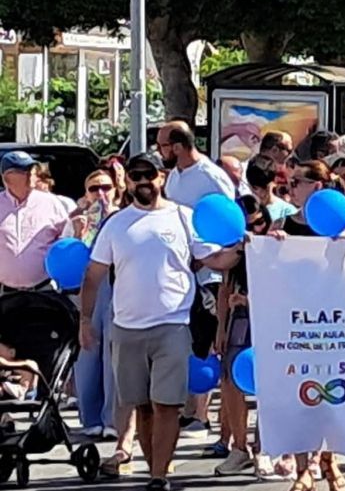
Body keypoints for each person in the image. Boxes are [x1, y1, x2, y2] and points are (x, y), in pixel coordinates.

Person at [79, 152, 239, 491]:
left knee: (167, 404)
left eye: (148, 175)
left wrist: (244, 247)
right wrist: (84, 320)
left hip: (173, 325)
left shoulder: (183, 217)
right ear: (129, 181)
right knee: (142, 405)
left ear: (161, 178)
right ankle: (155, 468)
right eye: (136, 175)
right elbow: (93, 275)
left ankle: (159, 476)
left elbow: (212, 257)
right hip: (127, 328)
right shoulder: (116, 224)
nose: (143, 181)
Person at [274, 161, 345, 491]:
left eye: (298, 182)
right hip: (296, 324)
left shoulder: (343, 222)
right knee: (299, 395)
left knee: (330, 395)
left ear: (318, 187)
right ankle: (303, 467)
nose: (291, 188)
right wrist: (273, 245)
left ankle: (328, 459)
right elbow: (270, 268)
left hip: (334, 323)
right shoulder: (284, 223)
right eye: (290, 182)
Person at [157, 121, 238, 440]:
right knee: (188, 339)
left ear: (177, 146)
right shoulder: (175, 176)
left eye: (163, 145)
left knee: (206, 339)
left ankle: (203, 414)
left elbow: (227, 224)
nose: (160, 151)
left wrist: (205, 256)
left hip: (210, 274)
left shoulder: (211, 176)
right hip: (180, 272)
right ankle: (190, 409)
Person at [213, 196, 274, 478]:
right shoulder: (235, 252)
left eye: (260, 223)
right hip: (238, 322)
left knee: (268, 383)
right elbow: (224, 287)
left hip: (270, 320)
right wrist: (220, 328)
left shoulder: (274, 243)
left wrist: (252, 301)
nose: (256, 230)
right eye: (250, 226)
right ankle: (240, 447)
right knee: (230, 381)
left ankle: (263, 449)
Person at [72, 170, 122, 439]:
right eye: (94, 188)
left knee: (113, 352)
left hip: (115, 285)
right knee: (89, 349)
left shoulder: (121, 216)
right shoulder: (78, 219)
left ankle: (113, 417)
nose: (100, 193)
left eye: (105, 186)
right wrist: (79, 231)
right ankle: (90, 415)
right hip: (88, 287)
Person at [0, 151, 70, 292]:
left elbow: (66, 238)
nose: (32, 175)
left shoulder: (50, 202)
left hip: (44, 289)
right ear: (8, 177)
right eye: (25, 171)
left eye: (32, 170)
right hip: (6, 294)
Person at [246, 156, 298, 223]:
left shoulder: (288, 211)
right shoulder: (242, 208)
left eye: (267, 187)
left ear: (274, 182)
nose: (263, 193)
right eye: (256, 188)